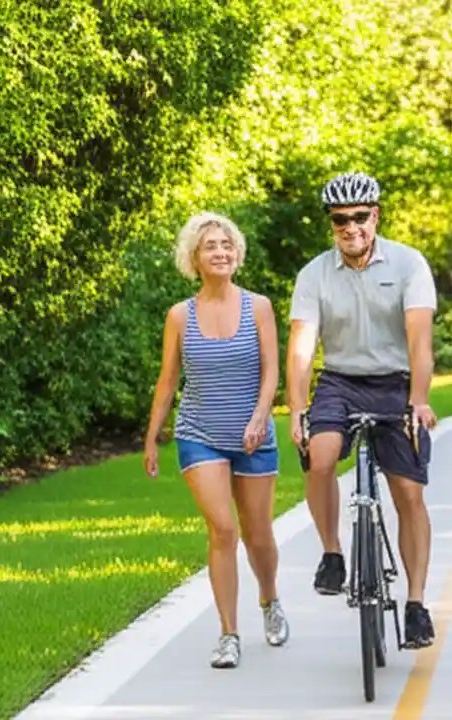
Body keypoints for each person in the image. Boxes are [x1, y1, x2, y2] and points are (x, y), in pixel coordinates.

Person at [286, 171, 439, 649]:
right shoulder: (314, 274)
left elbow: (419, 341)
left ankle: (415, 605)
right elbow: (301, 348)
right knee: (321, 453)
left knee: (409, 495)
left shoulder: (409, 264)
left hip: (395, 383)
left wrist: (418, 399)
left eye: (359, 217)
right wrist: (296, 410)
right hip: (340, 383)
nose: (351, 227)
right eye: (340, 221)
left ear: (375, 215)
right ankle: (333, 553)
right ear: (331, 225)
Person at [143, 211, 289, 669]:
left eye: (227, 244)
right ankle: (229, 633)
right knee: (223, 529)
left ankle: (269, 599)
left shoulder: (259, 306)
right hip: (199, 434)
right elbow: (168, 381)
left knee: (258, 535)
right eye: (211, 246)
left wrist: (260, 417)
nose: (221, 251)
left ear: (237, 253)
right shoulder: (179, 316)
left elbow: (272, 371)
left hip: (253, 436)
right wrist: (152, 438)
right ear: (194, 258)